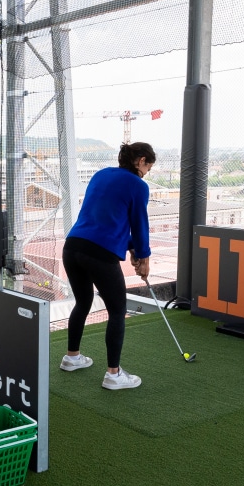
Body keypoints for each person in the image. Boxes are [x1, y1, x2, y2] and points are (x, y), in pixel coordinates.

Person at [58, 142, 155, 390]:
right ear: (141, 160)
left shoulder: (101, 175)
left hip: (73, 246)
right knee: (117, 309)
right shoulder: (138, 186)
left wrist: (132, 248)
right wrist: (143, 257)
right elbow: (139, 224)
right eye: (148, 166)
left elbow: (105, 218)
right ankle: (114, 374)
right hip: (99, 254)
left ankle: (72, 357)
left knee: (83, 301)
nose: (147, 172)